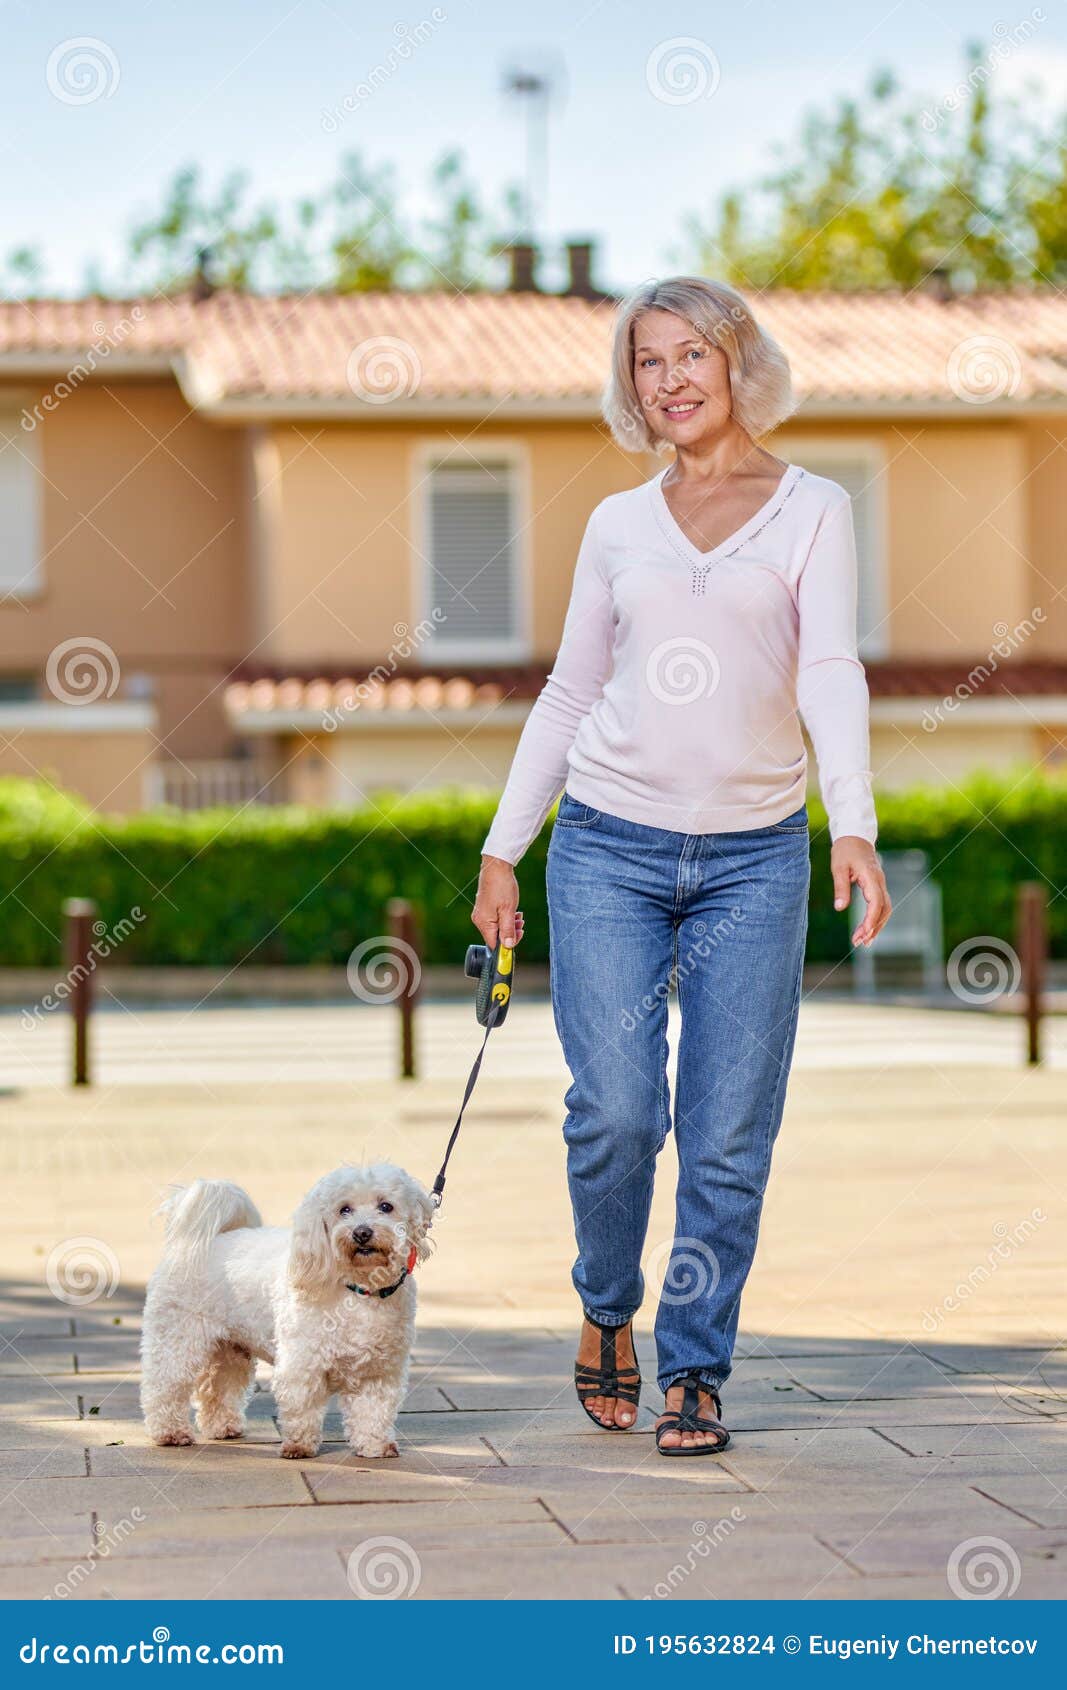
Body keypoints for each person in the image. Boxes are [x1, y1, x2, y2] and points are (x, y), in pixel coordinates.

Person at [473, 276, 891, 1455]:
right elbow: (566, 689)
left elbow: (828, 671)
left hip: (755, 860)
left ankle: (693, 1367)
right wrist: (506, 847)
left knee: (725, 1132)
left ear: (737, 362)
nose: (667, 380)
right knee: (612, 1111)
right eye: (646, 361)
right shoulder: (616, 527)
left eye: (689, 355)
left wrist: (847, 819)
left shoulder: (812, 509)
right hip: (605, 843)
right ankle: (607, 1307)